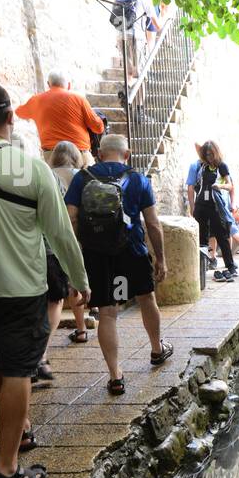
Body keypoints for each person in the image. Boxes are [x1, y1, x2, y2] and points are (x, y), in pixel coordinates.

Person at [0, 81, 90, 478]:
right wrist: (79, 281)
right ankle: (6, 468)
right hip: (20, 286)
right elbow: (61, 234)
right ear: (11, 119)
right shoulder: (30, 168)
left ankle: (22, 431)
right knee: (16, 368)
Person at [65, 134, 173, 395]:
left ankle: (116, 376)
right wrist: (160, 258)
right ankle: (157, 349)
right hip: (132, 251)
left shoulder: (82, 178)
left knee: (108, 312)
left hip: (97, 255)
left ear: (100, 154)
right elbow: (153, 224)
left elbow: (71, 218)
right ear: (128, 154)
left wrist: (81, 250)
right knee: (147, 299)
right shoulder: (138, 179)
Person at [33, 141, 89, 381]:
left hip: (42, 244)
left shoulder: (43, 174)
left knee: (56, 294)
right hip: (65, 242)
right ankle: (42, 354)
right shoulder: (82, 176)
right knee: (58, 298)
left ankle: (80, 330)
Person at [16, 69, 105, 165]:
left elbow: (19, 112)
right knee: (85, 179)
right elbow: (98, 128)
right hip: (80, 153)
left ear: (48, 84)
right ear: (69, 85)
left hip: (52, 155)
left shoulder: (36, 100)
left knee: (57, 179)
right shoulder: (79, 100)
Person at [187, 142, 237, 282]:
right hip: (201, 205)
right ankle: (201, 268)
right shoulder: (201, 166)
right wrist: (193, 207)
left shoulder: (222, 166)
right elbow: (192, 187)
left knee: (221, 235)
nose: (208, 157)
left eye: (210, 154)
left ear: (215, 153)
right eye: (206, 154)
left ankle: (230, 266)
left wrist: (219, 185)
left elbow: (230, 185)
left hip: (215, 205)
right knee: (201, 238)